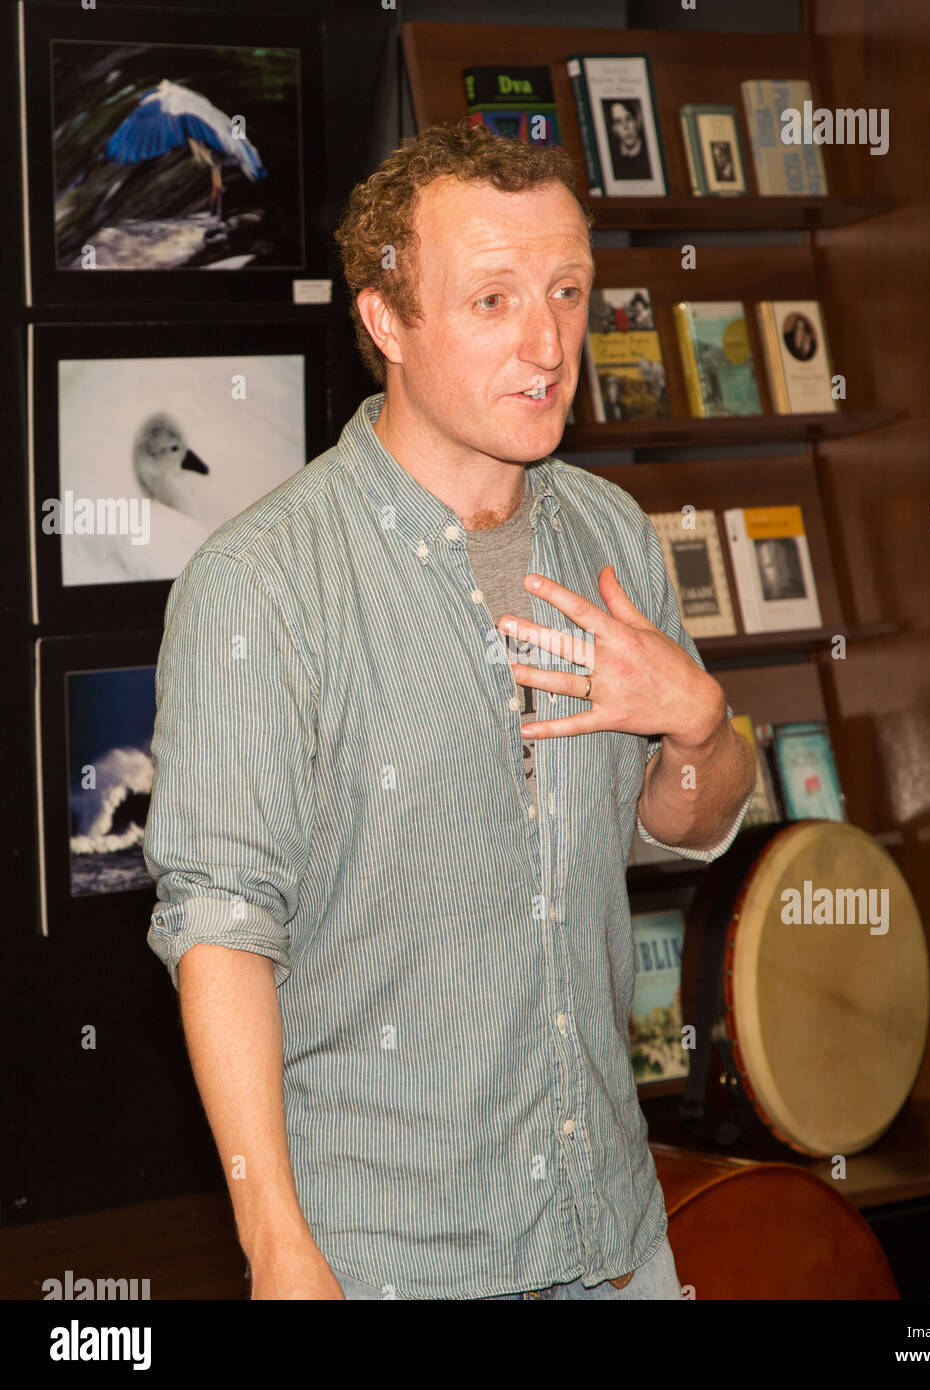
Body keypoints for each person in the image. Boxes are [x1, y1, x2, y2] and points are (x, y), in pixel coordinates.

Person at [143, 120, 756, 1302]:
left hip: (613, 1238)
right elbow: (220, 929)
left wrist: (699, 723)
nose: (548, 343)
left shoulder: (610, 537)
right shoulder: (264, 584)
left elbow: (690, 823)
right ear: (386, 321)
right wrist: (278, 1247)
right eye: (492, 301)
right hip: (383, 1259)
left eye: (568, 292)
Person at [605, 100, 653, 181]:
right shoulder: (611, 163)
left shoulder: (650, 156)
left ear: (636, 121)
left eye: (628, 119)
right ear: (614, 129)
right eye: (618, 121)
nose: (625, 127)